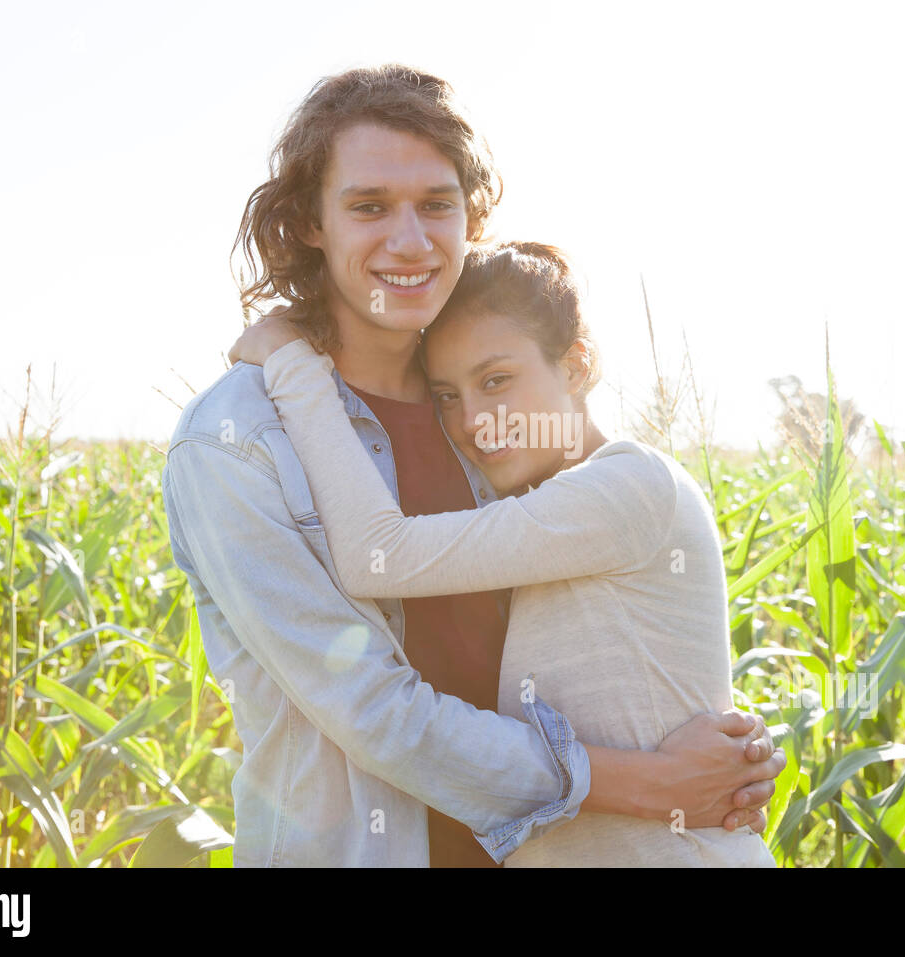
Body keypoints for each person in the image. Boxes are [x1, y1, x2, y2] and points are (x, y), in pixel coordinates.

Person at [162, 63, 784, 867]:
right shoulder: (234, 442)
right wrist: (649, 782)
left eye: (436, 204)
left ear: (470, 216)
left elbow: (613, 626)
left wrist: (727, 754)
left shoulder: (486, 421)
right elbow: (374, 709)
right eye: (368, 207)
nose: (410, 240)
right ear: (311, 224)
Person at [229, 240, 779, 867]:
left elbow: (377, 554)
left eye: (496, 381)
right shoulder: (531, 506)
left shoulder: (629, 485)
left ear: (576, 366)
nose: (474, 421)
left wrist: (295, 370)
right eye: (448, 396)